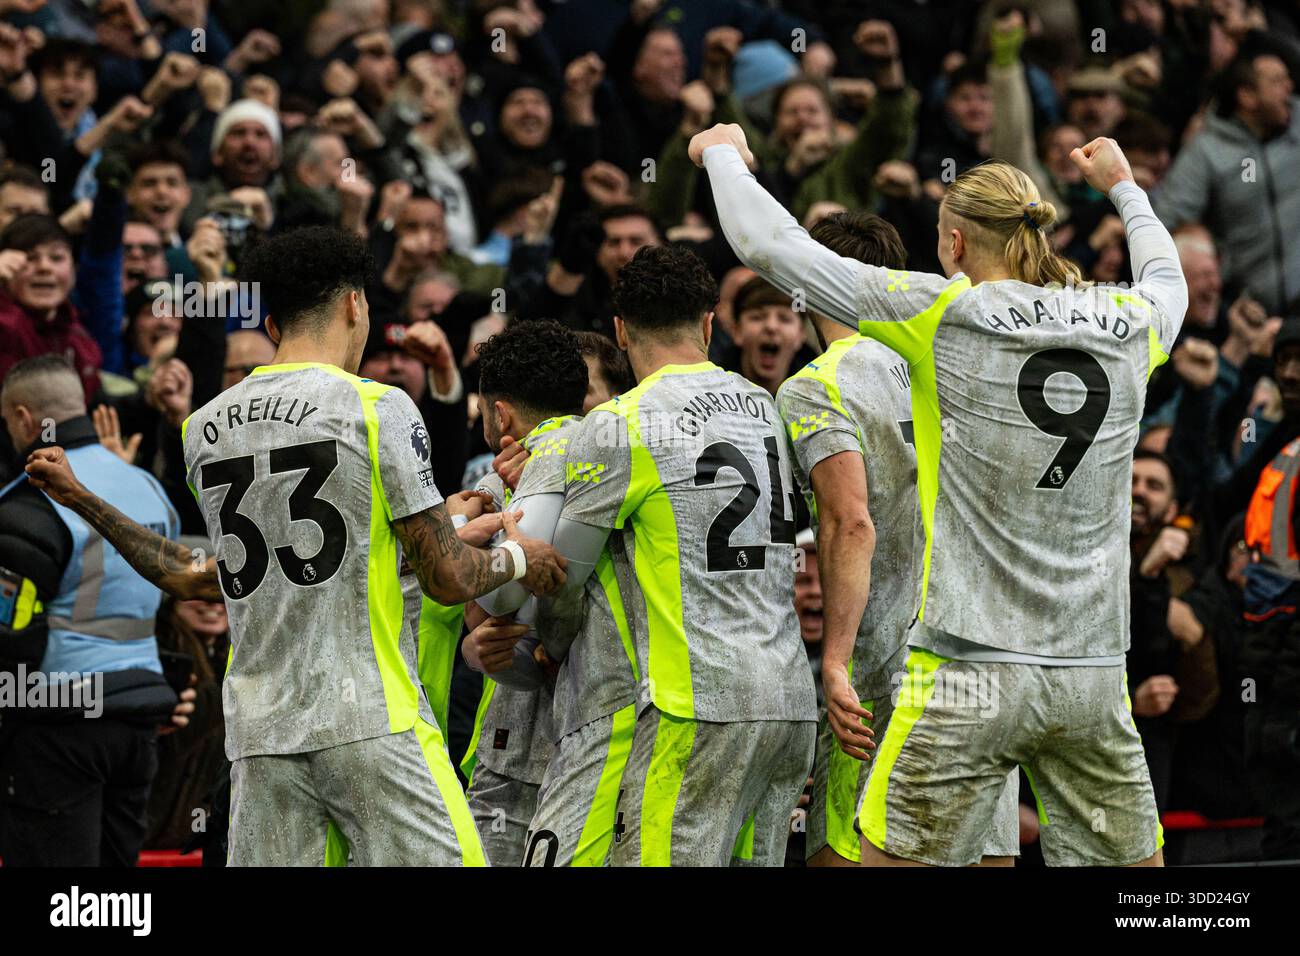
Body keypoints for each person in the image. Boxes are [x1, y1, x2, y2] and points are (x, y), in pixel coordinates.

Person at [696, 121, 1187, 867]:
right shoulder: (1127, 321)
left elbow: (776, 248)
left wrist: (722, 154)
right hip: (1091, 674)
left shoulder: (943, 313)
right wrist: (1123, 187)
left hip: (966, 675)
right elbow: (1168, 280)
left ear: (955, 245)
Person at [151, 224, 563, 865]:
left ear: (268, 321)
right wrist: (518, 557)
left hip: (259, 732)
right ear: (354, 304)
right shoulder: (375, 406)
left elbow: (244, 566)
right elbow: (447, 579)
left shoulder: (201, 427)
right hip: (370, 716)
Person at [537, 244, 817, 867]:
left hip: (694, 707)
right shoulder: (769, 409)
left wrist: (549, 647)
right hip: (789, 704)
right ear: (711, 322)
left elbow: (561, 578)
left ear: (620, 330)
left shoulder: (620, 422)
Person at [776, 209, 1016, 867]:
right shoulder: (963, 367)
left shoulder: (816, 386)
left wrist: (833, 661)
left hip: (890, 660)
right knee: (987, 855)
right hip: (988, 654)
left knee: (849, 851)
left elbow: (850, 522)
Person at [0, 356, 182, 866]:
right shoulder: (147, 486)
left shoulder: (30, 503)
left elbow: (11, 638)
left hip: (60, 722)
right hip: (139, 717)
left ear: (21, 418)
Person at [457, 319, 589, 866]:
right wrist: (477, 640)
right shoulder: (492, 487)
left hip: (583, 735)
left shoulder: (580, 465)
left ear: (500, 413)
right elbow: (479, 607)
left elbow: (494, 593)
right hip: (519, 740)